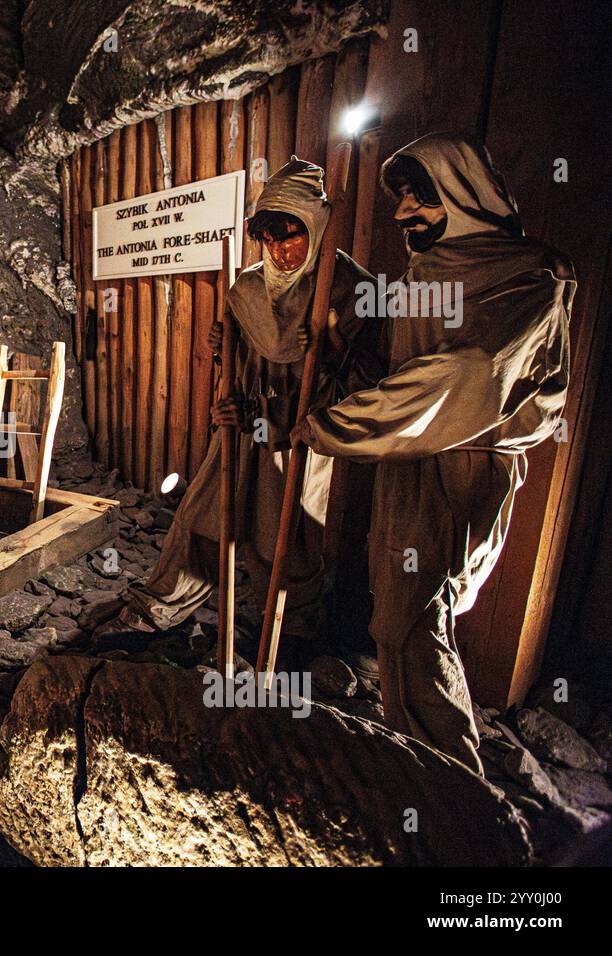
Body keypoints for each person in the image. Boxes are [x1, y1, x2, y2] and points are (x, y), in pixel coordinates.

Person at [292, 134, 574, 773]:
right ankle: (417, 756)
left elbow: (464, 379)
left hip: (462, 464)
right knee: (399, 612)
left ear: (464, 190)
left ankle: (445, 784)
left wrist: (336, 426)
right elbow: (397, 364)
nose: (402, 213)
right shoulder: (425, 274)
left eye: (420, 195)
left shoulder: (530, 277)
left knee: (413, 619)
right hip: (408, 465)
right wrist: (336, 342)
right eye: (400, 198)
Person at [110, 158, 381, 660]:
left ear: (316, 227)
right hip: (245, 426)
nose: (279, 251)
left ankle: (288, 633)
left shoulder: (351, 289)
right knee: (204, 514)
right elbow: (242, 361)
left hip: (302, 432)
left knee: (284, 535)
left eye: (291, 236)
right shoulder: (251, 287)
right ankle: (160, 610)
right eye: (269, 238)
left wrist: (332, 352)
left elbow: (372, 381)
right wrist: (226, 366)